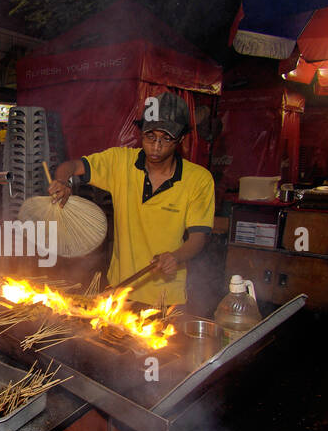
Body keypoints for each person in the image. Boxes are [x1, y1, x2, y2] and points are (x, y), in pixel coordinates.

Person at [48, 91, 215, 309]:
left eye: (166, 138)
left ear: (181, 139)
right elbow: (71, 166)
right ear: (141, 133)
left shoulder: (199, 179)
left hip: (166, 299)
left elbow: (197, 239)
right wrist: (63, 181)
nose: (156, 146)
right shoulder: (120, 162)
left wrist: (175, 256)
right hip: (119, 294)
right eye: (150, 136)